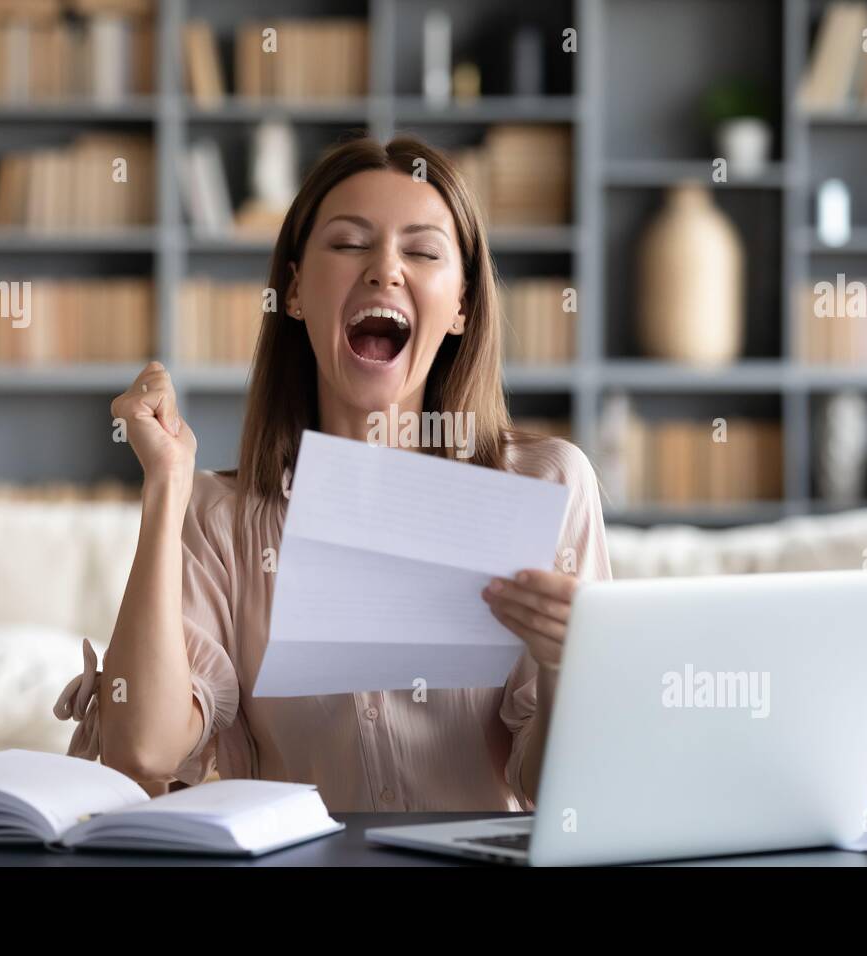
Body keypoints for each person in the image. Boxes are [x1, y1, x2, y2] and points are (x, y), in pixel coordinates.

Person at [53, 134, 612, 812]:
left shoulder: (545, 488)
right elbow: (144, 749)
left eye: (423, 250)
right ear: (293, 291)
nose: (385, 269)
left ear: (462, 304)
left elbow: (565, 798)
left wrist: (564, 667)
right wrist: (167, 483)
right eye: (349, 245)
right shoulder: (218, 517)